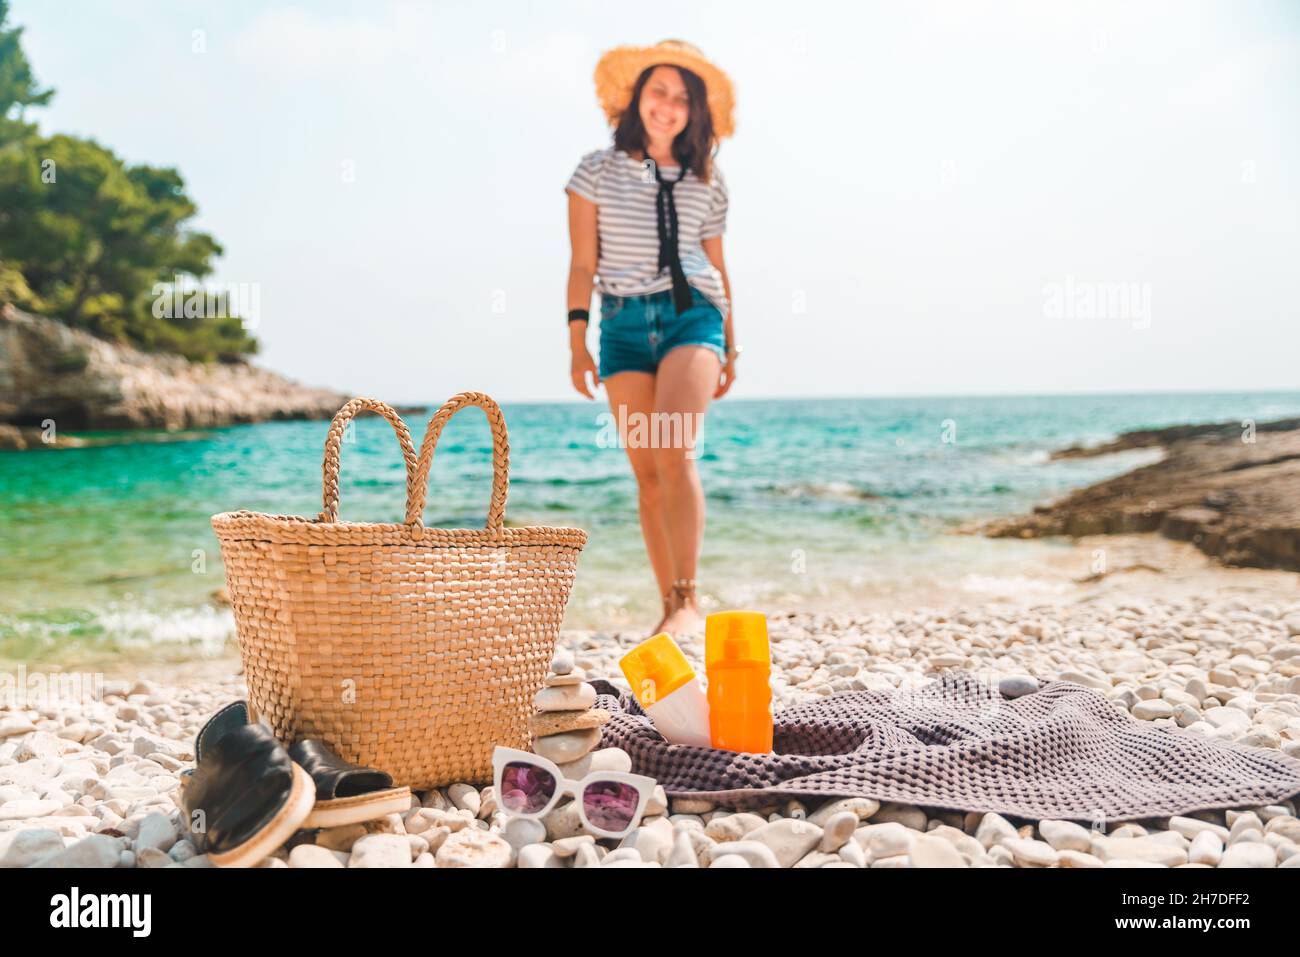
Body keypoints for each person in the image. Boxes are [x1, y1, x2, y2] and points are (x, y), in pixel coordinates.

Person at [565, 40, 740, 636]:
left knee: (675, 450)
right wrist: (576, 339)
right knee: (646, 471)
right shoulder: (594, 170)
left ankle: (690, 599)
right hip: (621, 325)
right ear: (637, 98)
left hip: (693, 315)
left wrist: (731, 344)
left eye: (682, 98)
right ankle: (668, 603)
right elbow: (582, 263)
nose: (668, 106)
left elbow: (718, 261)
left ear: (695, 112)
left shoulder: (708, 181)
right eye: (658, 91)